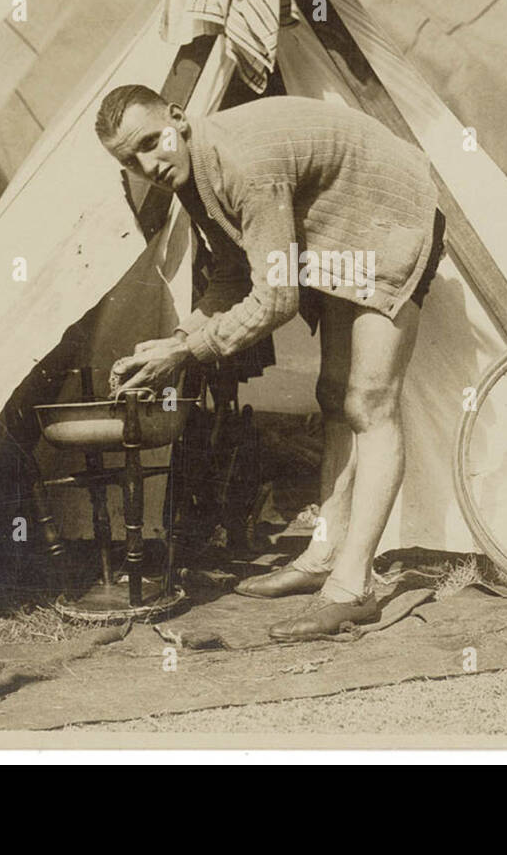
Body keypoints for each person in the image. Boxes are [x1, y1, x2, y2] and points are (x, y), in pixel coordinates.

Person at [96, 86, 445, 642]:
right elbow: (237, 275)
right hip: (336, 228)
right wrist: (180, 335)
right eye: (129, 159)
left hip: (390, 216)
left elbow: (277, 300)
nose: (147, 164)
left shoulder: (243, 166)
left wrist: (186, 352)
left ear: (178, 119)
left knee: (369, 403)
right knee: (334, 396)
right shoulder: (191, 168)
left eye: (149, 142)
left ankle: (352, 589)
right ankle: (323, 555)